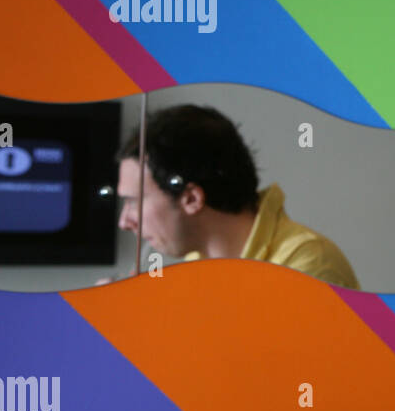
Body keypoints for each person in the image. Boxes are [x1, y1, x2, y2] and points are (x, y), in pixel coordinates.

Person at [110, 104, 359, 289]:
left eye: (134, 201)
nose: (124, 221)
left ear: (192, 199)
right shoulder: (198, 262)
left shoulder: (308, 265)